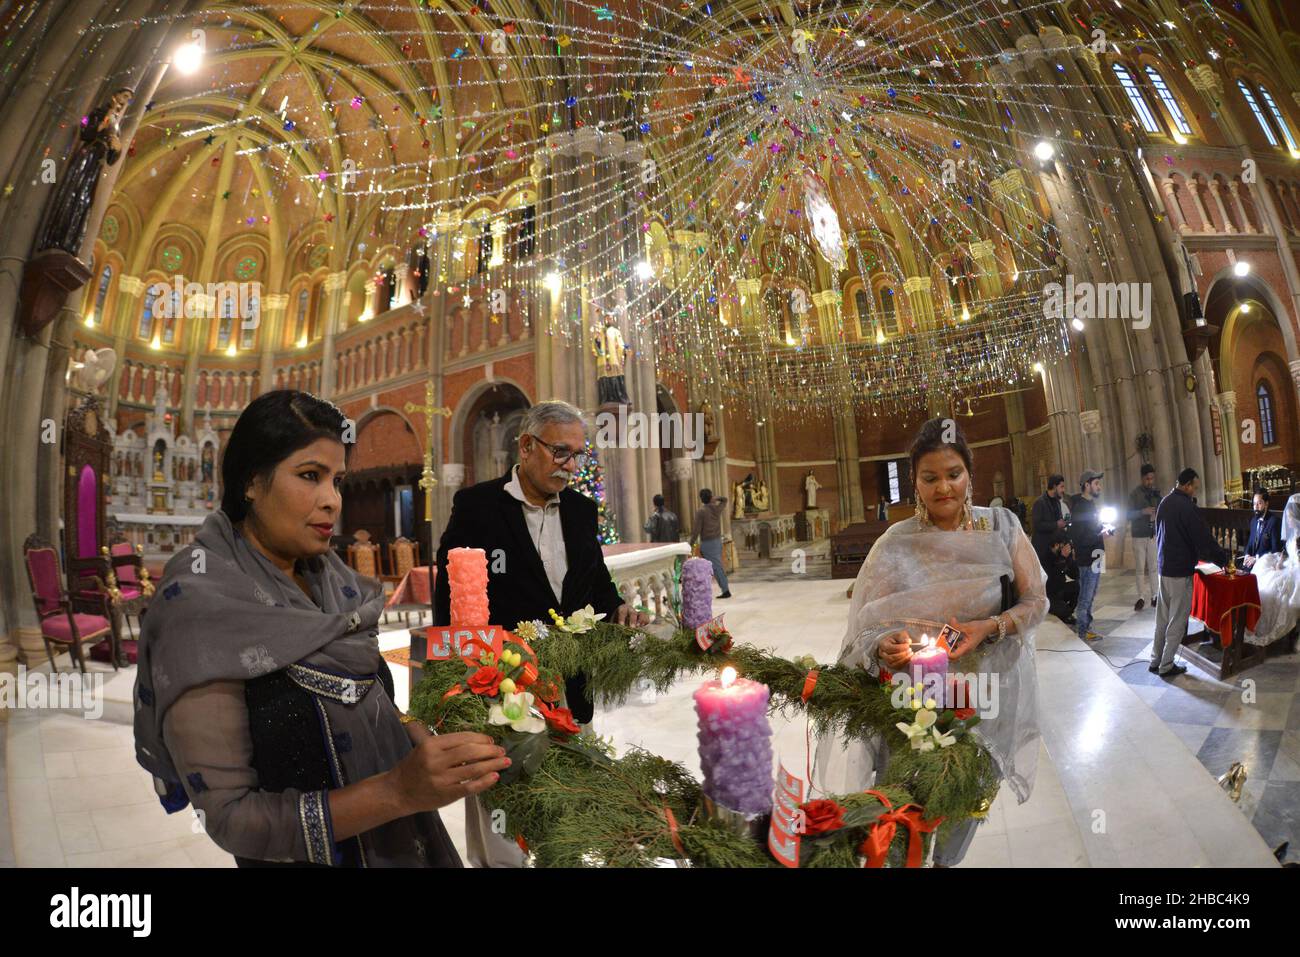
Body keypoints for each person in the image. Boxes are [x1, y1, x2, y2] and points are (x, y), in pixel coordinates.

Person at [133, 390, 505, 867]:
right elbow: (231, 818)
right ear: (250, 480)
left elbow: (368, 695)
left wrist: (416, 737)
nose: (332, 501)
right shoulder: (201, 606)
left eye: (338, 480)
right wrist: (396, 791)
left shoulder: (336, 585)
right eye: (310, 476)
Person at [814, 418, 1046, 868]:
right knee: (905, 812)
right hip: (909, 705)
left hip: (984, 700)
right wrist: (885, 643)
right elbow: (862, 628)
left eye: (953, 473)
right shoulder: (895, 544)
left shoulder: (1002, 527)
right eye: (930, 477)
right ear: (914, 483)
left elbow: (1037, 600)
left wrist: (991, 627)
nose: (944, 487)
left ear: (970, 476)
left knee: (963, 801)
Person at [433, 399, 649, 867]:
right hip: (505, 688)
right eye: (561, 452)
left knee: (568, 798)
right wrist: (453, 683)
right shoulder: (478, 507)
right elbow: (450, 595)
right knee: (504, 814)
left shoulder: (580, 511)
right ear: (527, 446)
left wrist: (617, 607)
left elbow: (594, 579)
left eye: (578, 455)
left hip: (571, 685)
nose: (571, 466)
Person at [1152, 468, 1230, 678]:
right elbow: (1202, 538)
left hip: (1164, 568)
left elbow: (1158, 534)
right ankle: (1166, 665)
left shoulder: (1165, 502)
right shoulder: (1186, 507)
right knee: (1177, 620)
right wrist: (1221, 558)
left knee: (1162, 618)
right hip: (1179, 572)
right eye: (1194, 487)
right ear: (1186, 485)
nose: (1195, 491)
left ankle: (1155, 660)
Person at [1067, 469, 1114, 642]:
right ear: (1087, 485)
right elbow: (1078, 538)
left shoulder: (1090, 505)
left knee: (1092, 593)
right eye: (1096, 483)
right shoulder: (1080, 507)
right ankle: (1082, 631)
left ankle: (1087, 626)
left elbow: (1092, 529)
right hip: (1087, 558)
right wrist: (1099, 535)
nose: (1099, 487)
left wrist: (1104, 528)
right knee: (1085, 596)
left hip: (1097, 555)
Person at [1128, 465, 1161, 611]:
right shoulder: (1134, 494)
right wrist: (1143, 511)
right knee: (1140, 568)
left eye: (1152, 478)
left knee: (1154, 567)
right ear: (1142, 478)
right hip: (1138, 535)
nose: (1150, 481)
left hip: (1152, 535)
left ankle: (1155, 596)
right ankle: (1141, 597)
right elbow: (1128, 514)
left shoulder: (1156, 493)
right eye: (1147, 479)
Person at [690, 488, 731, 599]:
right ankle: (716, 588)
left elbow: (696, 530)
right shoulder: (716, 509)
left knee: (716, 567)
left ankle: (726, 590)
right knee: (715, 567)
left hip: (708, 543)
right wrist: (716, 498)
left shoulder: (701, 511)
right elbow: (725, 500)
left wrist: (690, 543)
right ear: (711, 497)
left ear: (701, 498)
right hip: (717, 541)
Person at [1030, 474, 1067, 568]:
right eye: (1061, 487)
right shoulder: (1039, 502)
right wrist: (1056, 524)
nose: (1063, 490)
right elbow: (1037, 525)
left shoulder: (1057, 502)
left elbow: (1058, 522)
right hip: (1043, 550)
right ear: (1054, 486)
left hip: (1055, 549)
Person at [1045, 532, 1079, 626]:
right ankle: (1065, 612)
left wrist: (1071, 559)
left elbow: (1075, 575)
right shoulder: (1045, 557)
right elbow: (1051, 580)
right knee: (1064, 611)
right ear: (1056, 545)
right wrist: (1063, 558)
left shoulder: (1062, 556)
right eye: (1064, 545)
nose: (1066, 548)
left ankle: (1067, 612)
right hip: (1048, 595)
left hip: (1059, 590)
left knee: (1077, 586)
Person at [1243, 489, 1282, 567]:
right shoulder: (1253, 521)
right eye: (1254, 504)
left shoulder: (1274, 522)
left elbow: (1276, 551)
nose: (1256, 507)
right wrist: (1247, 555)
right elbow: (1250, 543)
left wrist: (1256, 558)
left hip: (1266, 565)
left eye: (1259, 503)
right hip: (1252, 564)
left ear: (1266, 504)